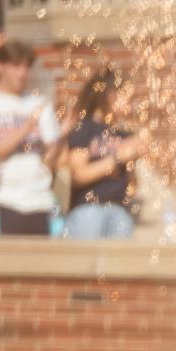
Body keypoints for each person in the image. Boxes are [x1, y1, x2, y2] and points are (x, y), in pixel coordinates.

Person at [0, 41, 63, 236]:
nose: (22, 73)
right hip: (3, 198)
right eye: (15, 66)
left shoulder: (39, 103)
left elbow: (51, 159)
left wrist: (61, 138)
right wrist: (26, 128)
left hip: (41, 200)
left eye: (26, 67)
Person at [65, 68, 146, 239]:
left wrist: (135, 157)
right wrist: (118, 157)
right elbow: (78, 175)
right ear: (111, 95)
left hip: (120, 210)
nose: (131, 104)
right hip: (89, 209)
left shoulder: (124, 135)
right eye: (127, 97)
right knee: (86, 256)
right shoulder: (85, 128)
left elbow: (132, 186)